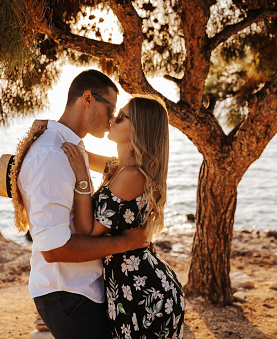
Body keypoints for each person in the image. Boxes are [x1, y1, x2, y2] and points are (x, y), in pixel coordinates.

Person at [17, 70, 154, 339]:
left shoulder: (69, 148)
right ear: (88, 99)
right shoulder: (51, 157)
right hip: (67, 295)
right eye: (111, 108)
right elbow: (53, 249)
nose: (113, 117)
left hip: (83, 290)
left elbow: (124, 167)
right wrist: (129, 242)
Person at [61, 95, 185, 338]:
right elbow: (81, 154)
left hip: (143, 293)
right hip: (131, 287)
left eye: (120, 117)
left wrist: (82, 180)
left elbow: (88, 233)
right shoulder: (122, 169)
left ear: (138, 129)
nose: (111, 120)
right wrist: (52, 129)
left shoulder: (131, 175)